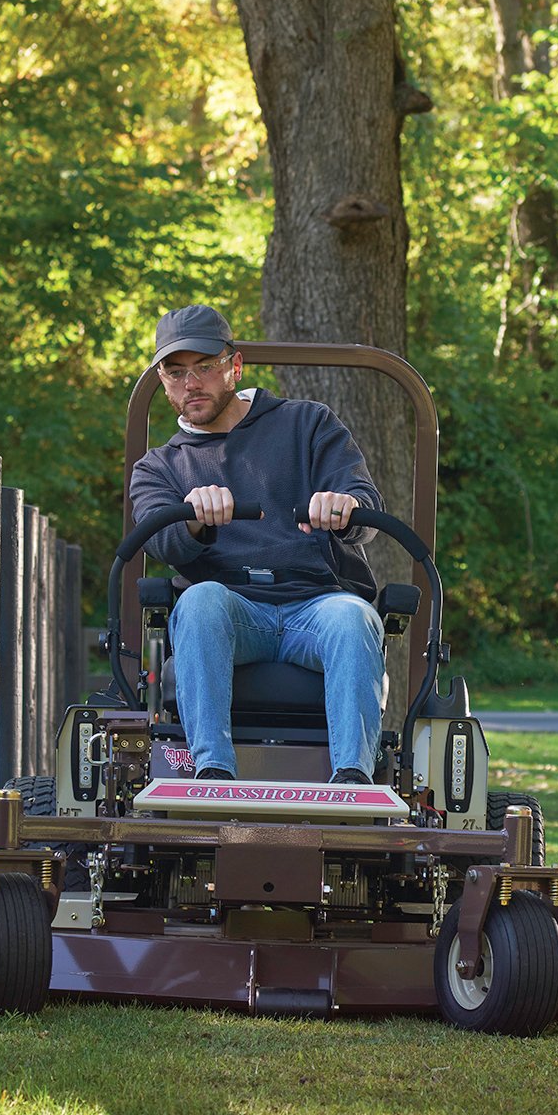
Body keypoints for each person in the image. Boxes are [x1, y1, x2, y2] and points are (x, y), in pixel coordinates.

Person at [129, 304, 385, 784]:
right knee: (200, 599)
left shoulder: (307, 425)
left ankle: (353, 779)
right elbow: (163, 540)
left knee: (353, 616)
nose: (191, 383)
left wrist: (342, 506)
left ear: (235, 366)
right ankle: (213, 774)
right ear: (162, 381)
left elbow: (364, 507)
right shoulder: (159, 467)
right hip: (232, 612)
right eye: (175, 372)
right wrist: (194, 520)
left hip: (316, 606)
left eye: (205, 367)